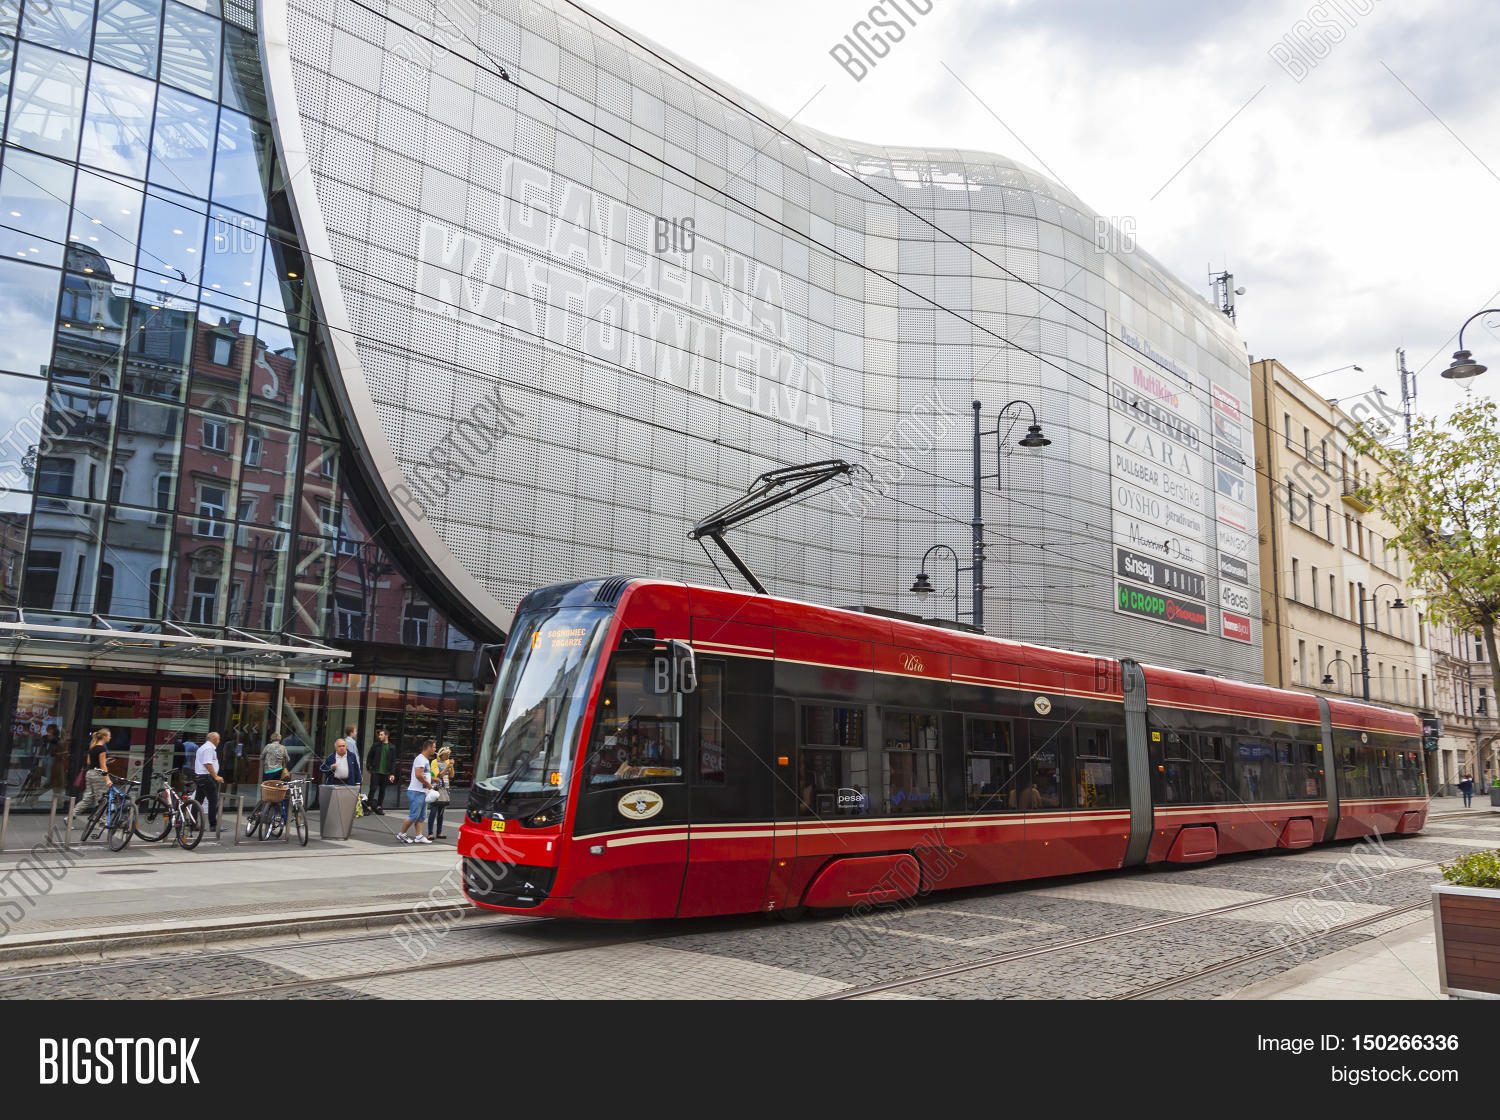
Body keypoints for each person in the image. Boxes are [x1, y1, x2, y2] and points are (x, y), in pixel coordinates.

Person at [397, 740, 437, 844]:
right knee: (414, 815)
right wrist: (428, 784)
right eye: (434, 747)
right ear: (428, 747)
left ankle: (419, 836)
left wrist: (432, 780)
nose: (435, 749)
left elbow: (424, 774)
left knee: (421, 816)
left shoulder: (425, 759)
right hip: (416, 791)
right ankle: (401, 834)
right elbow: (418, 775)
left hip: (422, 791)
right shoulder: (420, 759)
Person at [74, 729, 114, 823]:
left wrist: (102, 760)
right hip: (98, 775)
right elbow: (103, 766)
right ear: (104, 737)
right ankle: (102, 820)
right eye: (109, 736)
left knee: (88, 797)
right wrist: (107, 779)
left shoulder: (92, 747)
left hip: (90, 773)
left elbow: (89, 762)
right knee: (102, 799)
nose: (110, 737)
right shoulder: (102, 749)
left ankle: (72, 814)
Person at [195, 731, 226, 834]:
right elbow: (208, 763)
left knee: (198, 801)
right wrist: (216, 776)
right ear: (214, 739)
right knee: (213, 801)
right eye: (219, 739)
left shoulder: (203, 747)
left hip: (201, 776)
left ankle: (192, 823)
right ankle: (213, 825)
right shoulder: (208, 748)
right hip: (206, 777)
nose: (219, 741)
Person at [366, 728, 394, 814]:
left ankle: (379, 807)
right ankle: (368, 807)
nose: (379, 736)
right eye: (379, 735)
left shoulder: (392, 747)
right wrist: (369, 767)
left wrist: (392, 773)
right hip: (375, 771)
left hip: (386, 772)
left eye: (381, 735)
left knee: (382, 790)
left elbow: (393, 761)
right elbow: (369, 756)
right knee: (373, 789)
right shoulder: (376, 745)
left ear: (386, 735)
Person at [427, 746, 453, 839]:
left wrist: (451, 766)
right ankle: (430, 833)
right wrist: (447, 767)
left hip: (445, 788)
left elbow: (451, 776)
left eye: (449, 755)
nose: (448, 756)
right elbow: (439, 775)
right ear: (442, 755)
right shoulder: (435, 762)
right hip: (436, 788)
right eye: (447, 755)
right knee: (433, 811)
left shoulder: (447, 762)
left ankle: (439, 832)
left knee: (441, 812)